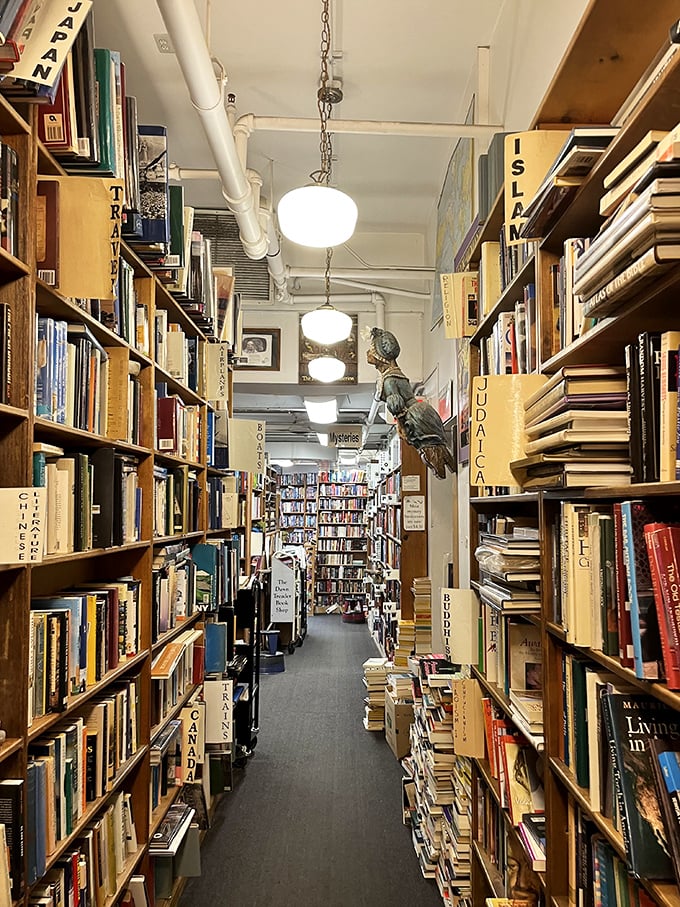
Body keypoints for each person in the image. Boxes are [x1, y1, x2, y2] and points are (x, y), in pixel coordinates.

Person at [366, 327, 455, 479]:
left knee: (429, 453)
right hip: (420, 411)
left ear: (379, 356)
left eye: (372, 350)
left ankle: (444, 469)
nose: (368, 353)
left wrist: (401, 426)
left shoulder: (389, 379)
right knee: (437, 448)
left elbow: (397, 405)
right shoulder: (396, 373)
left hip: (414, 417)